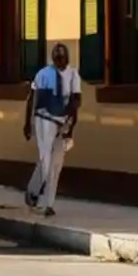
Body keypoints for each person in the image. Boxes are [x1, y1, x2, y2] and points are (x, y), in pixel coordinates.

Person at [23, 43, 81, 217]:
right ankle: (37, 196)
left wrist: (70, 126)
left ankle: (44, 200)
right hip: (44, 120)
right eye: (57, 57)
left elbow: (76, 101)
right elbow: (31, 99)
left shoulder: (73, 75)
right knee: (46, 159)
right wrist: (28, 123)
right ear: (53, 58)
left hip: (62, 121)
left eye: (63, 57)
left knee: (56, 163)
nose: (60, 60)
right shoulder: (43, 74)